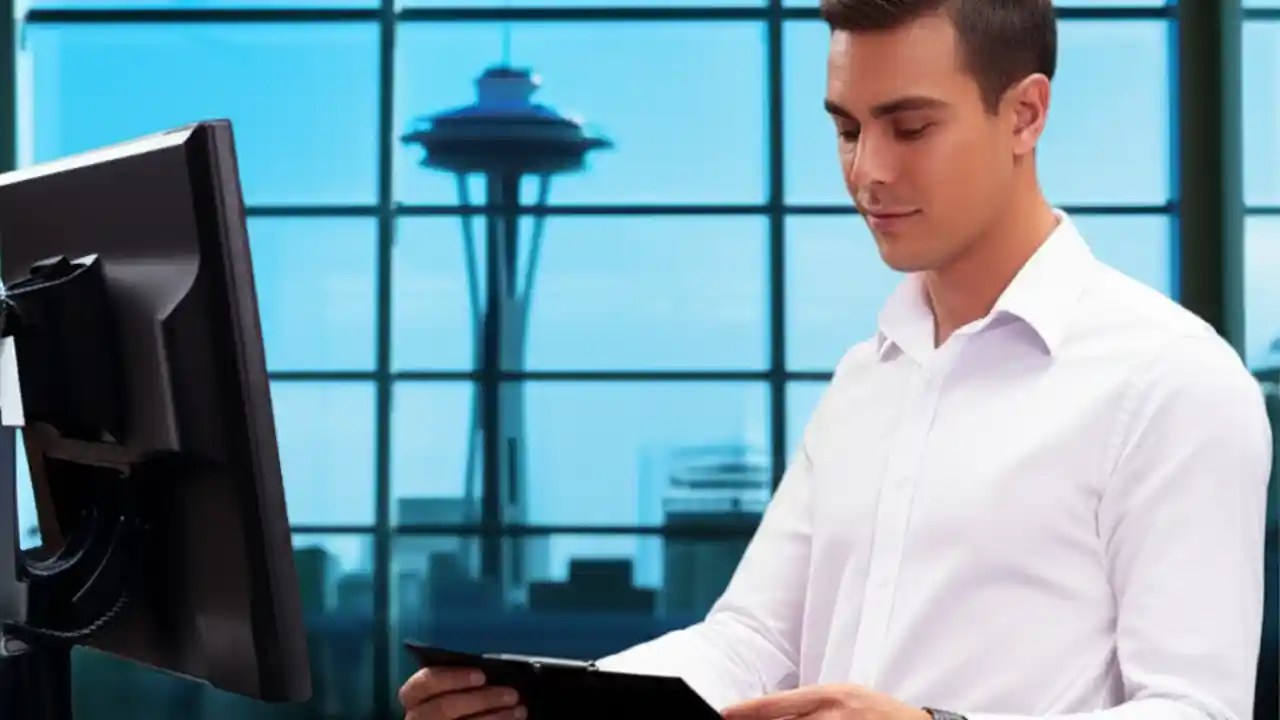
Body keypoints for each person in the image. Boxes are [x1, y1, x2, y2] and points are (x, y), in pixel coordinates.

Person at [397, 1, 1274, 719]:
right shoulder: (870, 375)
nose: (867, 172)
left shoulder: (1171, 380)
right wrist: (543, 703)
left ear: (1025, 113)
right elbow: (754, 643)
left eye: (910, 127)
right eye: (849, 128)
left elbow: (1194, 708)